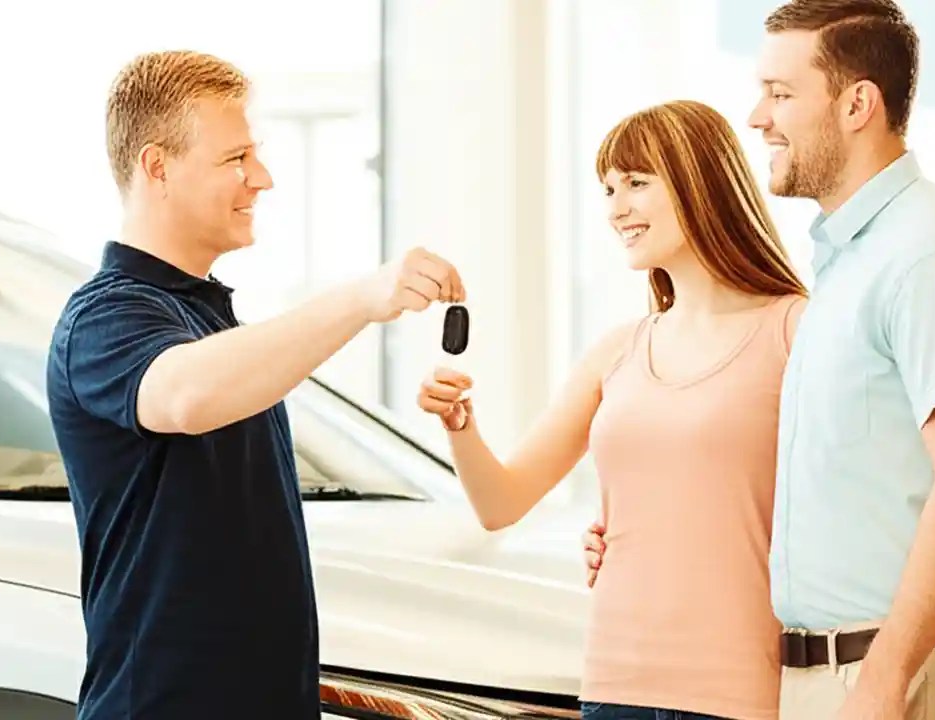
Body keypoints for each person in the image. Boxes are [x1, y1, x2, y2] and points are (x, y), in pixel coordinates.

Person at [586, 2, 935, 718]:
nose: (758, 117)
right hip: (829, 680)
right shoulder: (848, 264)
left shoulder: (926, 252)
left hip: (894, 682)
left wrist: (883, 681)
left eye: (781, 93)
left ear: (858, 104)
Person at [46, 50, 465, 719]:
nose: (262, 178)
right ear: (157, 167)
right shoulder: (105, 317)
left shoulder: (209, 319)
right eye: (236, 158)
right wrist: (364, 297)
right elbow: (183, 396)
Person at [418, 99, 808, 720]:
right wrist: (461, 426)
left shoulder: (798, 330)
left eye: (635, 183)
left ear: (699, 181)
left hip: (743, 688)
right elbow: (501, 504)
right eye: (607, 189)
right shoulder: (618, 350)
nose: (615, 208)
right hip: (616, 684)